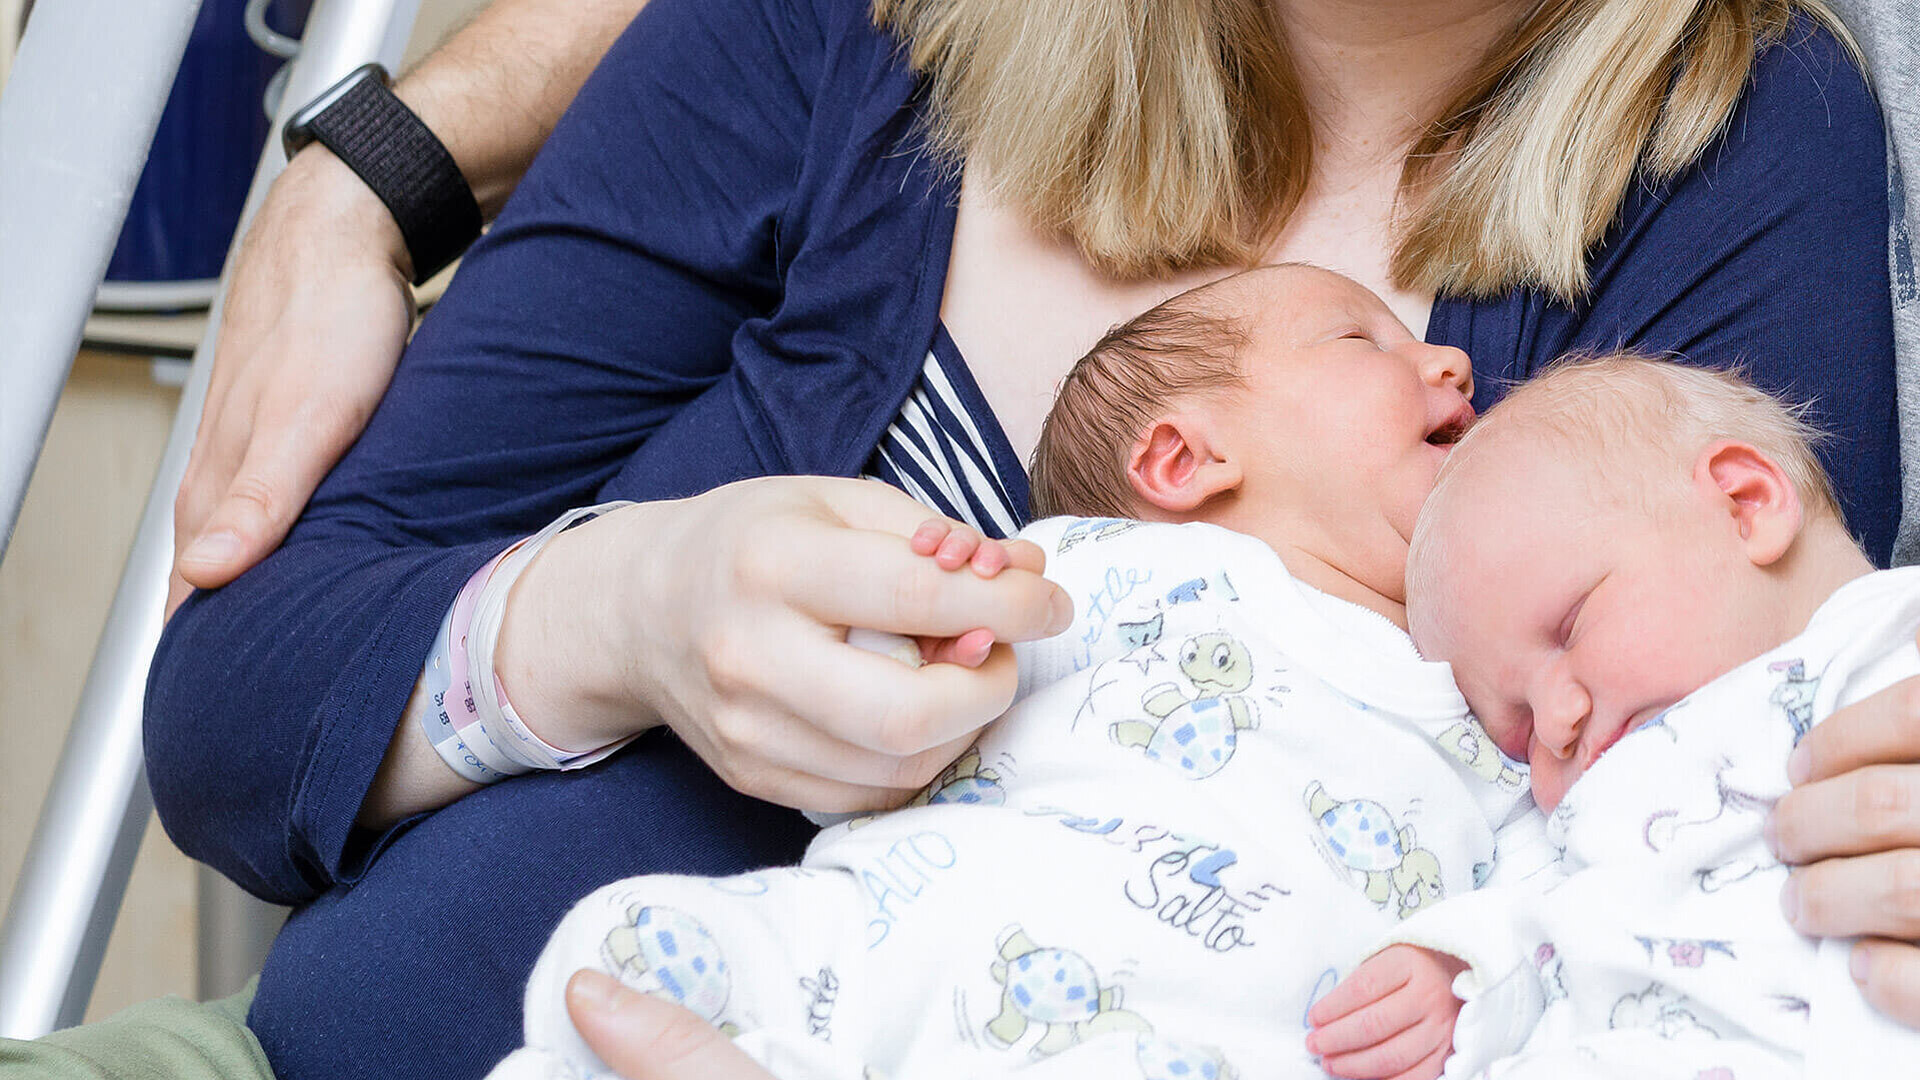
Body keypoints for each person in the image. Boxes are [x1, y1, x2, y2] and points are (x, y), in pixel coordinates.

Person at [141, 2, 1918, 1078]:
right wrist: (618, 613)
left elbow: (1737, 905)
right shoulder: (853, 42)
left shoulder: (1732, 147)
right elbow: (235, 712)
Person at [490, 264, 1529, 1079]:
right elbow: (861, 723)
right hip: (904, 946)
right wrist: (913, 631)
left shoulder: (1505, 697)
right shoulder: (1083, 576)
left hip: (1200, 1042)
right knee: (635, 951)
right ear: (1183, 461)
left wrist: (1473, 963)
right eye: (1363, 342)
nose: (1454, 364)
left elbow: (1569, 890)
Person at [1306, 357, 1920, 1079]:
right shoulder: (1581, 805)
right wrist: (1462, 971)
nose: (1556, 722)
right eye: (1519, 733)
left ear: (1743, 504)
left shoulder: (1887, 632)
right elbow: (1530, 908)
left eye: (1571, 628)